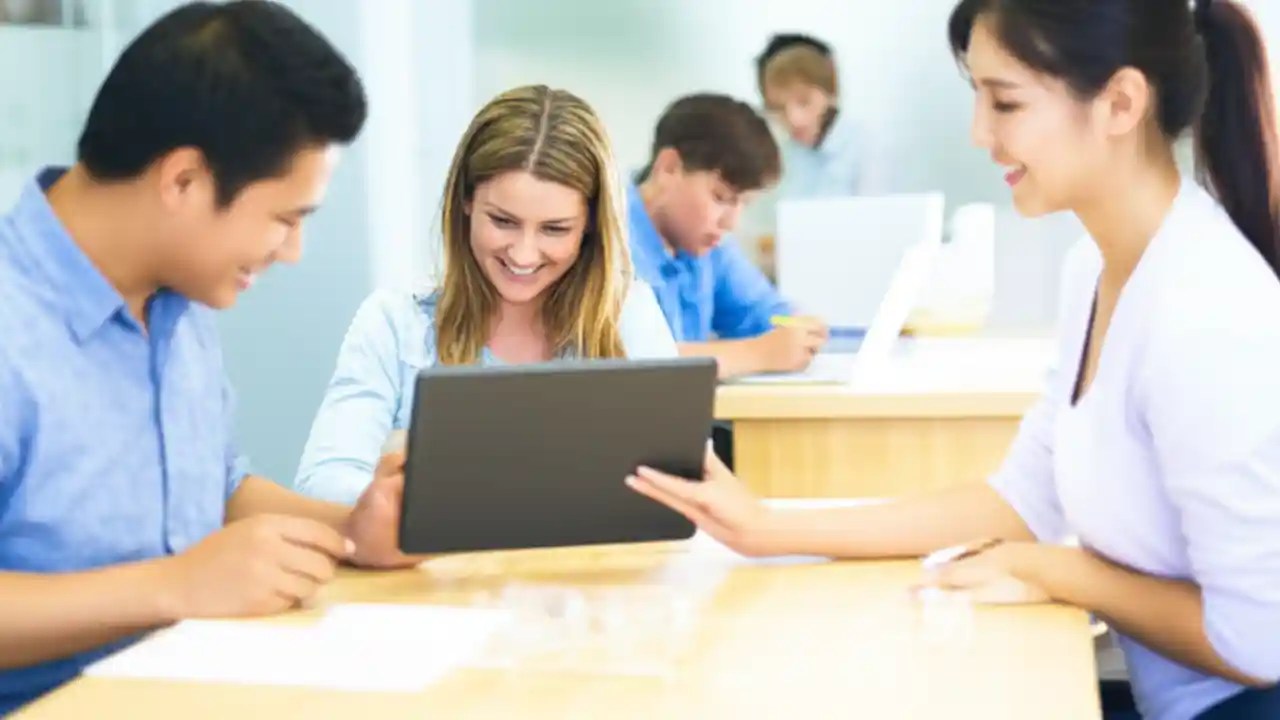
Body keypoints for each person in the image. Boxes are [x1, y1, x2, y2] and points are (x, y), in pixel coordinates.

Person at [628, 1, 1280, 718]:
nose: (978, 133)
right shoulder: (1093, 269)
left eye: (1004, 102)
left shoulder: (1205, 307)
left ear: (1120, 103)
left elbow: (1257, 641)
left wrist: (1058, 570)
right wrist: (767, 528)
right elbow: (1021, 501)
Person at [0, 3, 420, 713]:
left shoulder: (176, 296)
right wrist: (175, 585)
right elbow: (187, 566)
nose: (292, 251)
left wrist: (349, 530)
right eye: (285, 219)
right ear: (184, 181)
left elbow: (211, 492)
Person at [294, 85, 678, 505]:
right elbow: (323, 482)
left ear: (589, 226)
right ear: (465, 202)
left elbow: (679, 479)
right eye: (502, 221)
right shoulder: (395, 324)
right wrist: (396, 502)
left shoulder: (627, 315)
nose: (524, 254)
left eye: (555, 229)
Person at [627, 93, 828, 380]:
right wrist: (758, 354)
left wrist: (799, 330)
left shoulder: (704, 242)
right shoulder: (608, 236)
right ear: (669, 168)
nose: (731, 222)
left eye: (743, 204)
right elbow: (629, 362)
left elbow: (761, 313)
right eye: (721, 198)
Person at [756, 33, 863, 199]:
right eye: (778, 108)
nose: (794, 119)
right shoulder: (782, 154)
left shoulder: (865, 147)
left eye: (804, 102)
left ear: (831, 94)